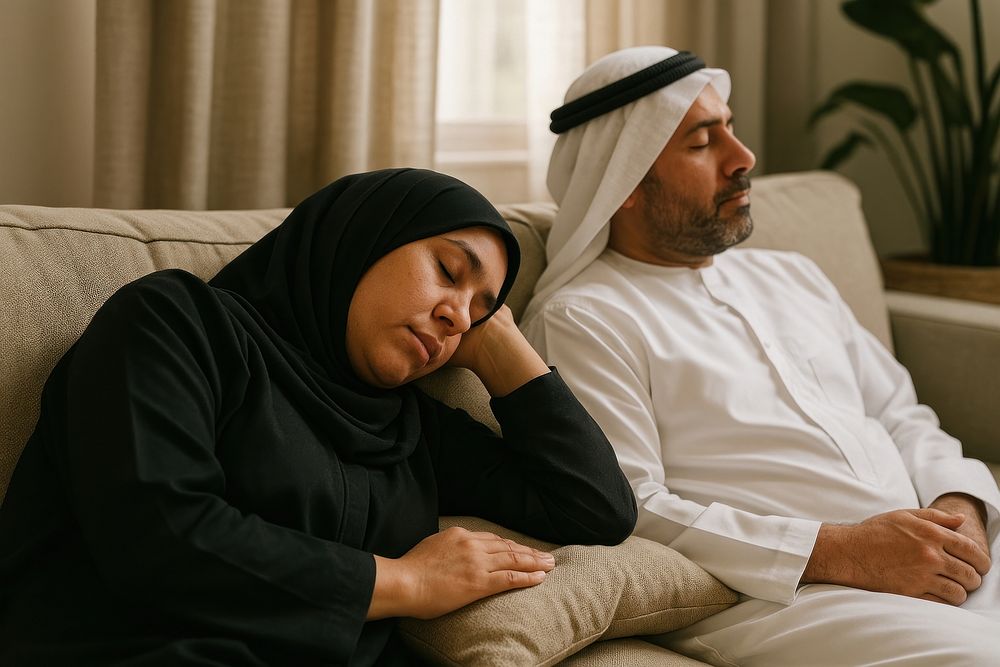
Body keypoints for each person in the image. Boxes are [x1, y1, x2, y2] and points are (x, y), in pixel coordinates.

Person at [0, 168, 637, 666]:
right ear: (364, 236)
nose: (458, 316)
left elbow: (594, 509)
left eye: (479, 311)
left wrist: (504, 351)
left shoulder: (405, 425)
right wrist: (405, 582)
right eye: (448, 271)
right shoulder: (175, 324)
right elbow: (158, 536)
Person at [521, 46, 1000, 664]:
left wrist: (960, 503)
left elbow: (900, 413)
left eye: (731, 127)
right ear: (625, 180)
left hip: (941, 550)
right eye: (702, 143)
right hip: (800, 597)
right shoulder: (585, 319)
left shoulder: (793, 274)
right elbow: (628, 505)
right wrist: (844, 551)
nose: (743, 157)